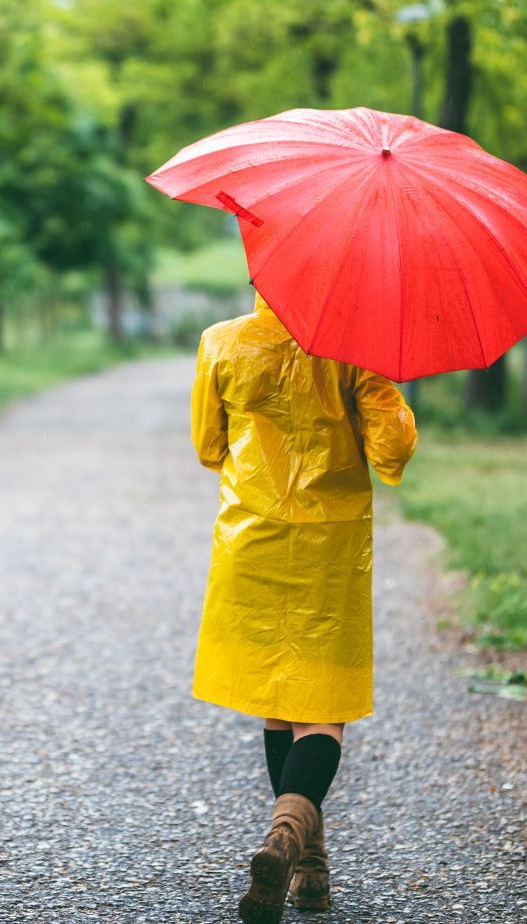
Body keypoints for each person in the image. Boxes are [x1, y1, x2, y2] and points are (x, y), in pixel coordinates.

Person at [189, 291, 417, 923]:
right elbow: (392, 453)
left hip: (252, 539)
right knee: (322, 709)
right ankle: (285, 839)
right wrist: (385, 388)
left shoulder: (222, 342)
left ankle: (309, 873)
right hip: (330, 547)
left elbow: (211, 448)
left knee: (277, 700)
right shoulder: (356, 354)